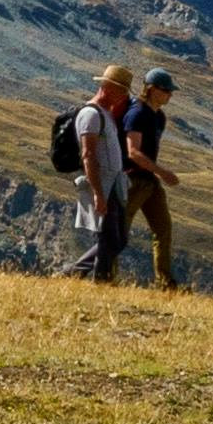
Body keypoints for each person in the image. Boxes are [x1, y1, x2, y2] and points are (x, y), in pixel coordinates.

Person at [71, 65, 142, 284]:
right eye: (122, 90)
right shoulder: (91, 115)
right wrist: (97, 193)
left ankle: (74, 273)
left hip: (113, 184)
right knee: (110, 237)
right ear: (108, 88)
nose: (124, 96)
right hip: (102, 184)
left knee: (117, 239)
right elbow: (88, 155)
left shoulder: (105, 115)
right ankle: (98, 281)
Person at [121, 66, 184, 289]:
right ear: (152, 89)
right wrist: (162, 172)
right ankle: (105, 276)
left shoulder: (159, 117)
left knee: (163, 229)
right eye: (166, 90)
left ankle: (166, 283)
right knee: (120, 230)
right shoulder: (137, 113)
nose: (170, 95)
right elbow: (133, 152)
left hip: (150, 182)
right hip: (134, 180)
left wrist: (157, 174)